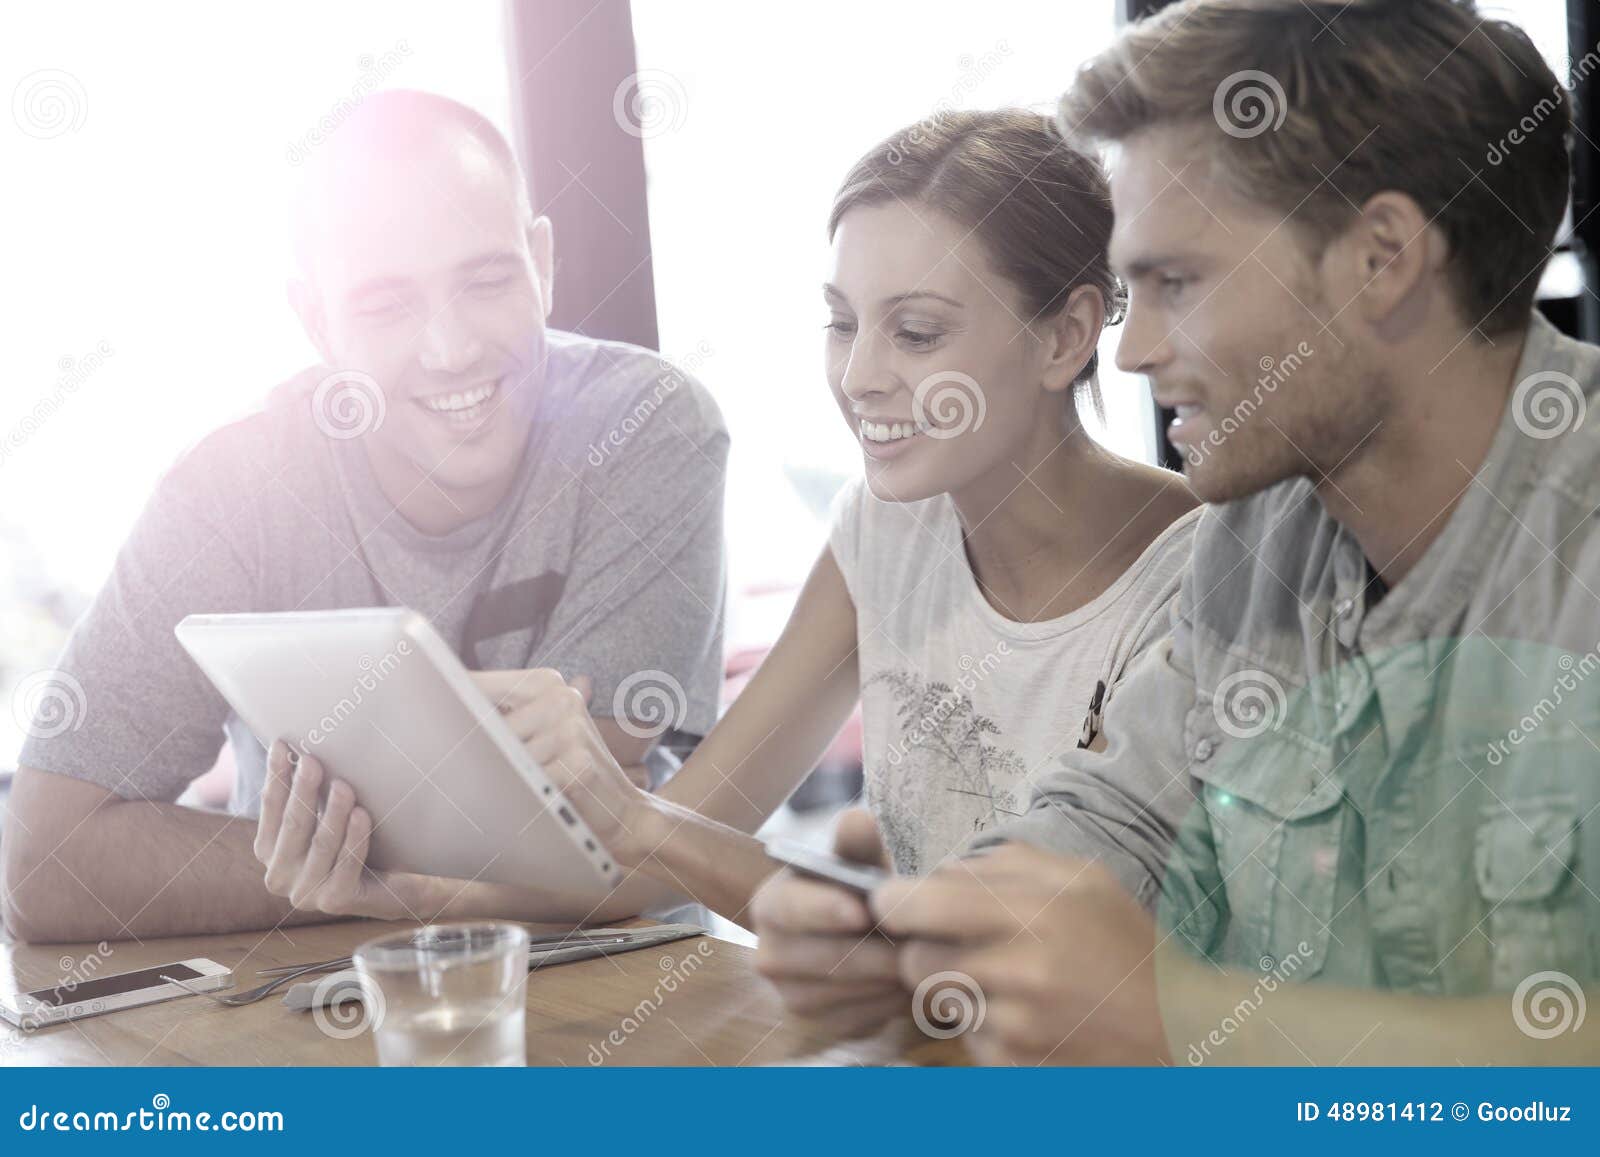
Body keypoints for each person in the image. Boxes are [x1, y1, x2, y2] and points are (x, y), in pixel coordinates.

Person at [755, 0, 1600, 1065]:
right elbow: (1121, 822)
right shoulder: (1258, 534)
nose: (1132, 346)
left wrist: (1193, 1024)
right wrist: (927, 937)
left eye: (1178, 282)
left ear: (1381, 259)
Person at [251, 108, 1199, 957]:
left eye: (915, 332)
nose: (859, 376)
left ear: (1066, 335)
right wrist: (403, 891)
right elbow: (666, 854)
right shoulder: (885, 533)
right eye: (842, 323)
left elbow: (1001, 946)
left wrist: (635, 817)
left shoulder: (1200, 579)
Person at [0, 90, 728, 943]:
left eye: (487, 280)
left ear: (541, 263)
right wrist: (354, 882)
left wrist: (335, 865)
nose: (451, 348)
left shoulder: (644, 427)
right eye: (387, 305)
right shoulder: (232, 488)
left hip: (614, 987)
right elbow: (39, 867)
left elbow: (577, 834)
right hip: (317, 991)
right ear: (317, 320)